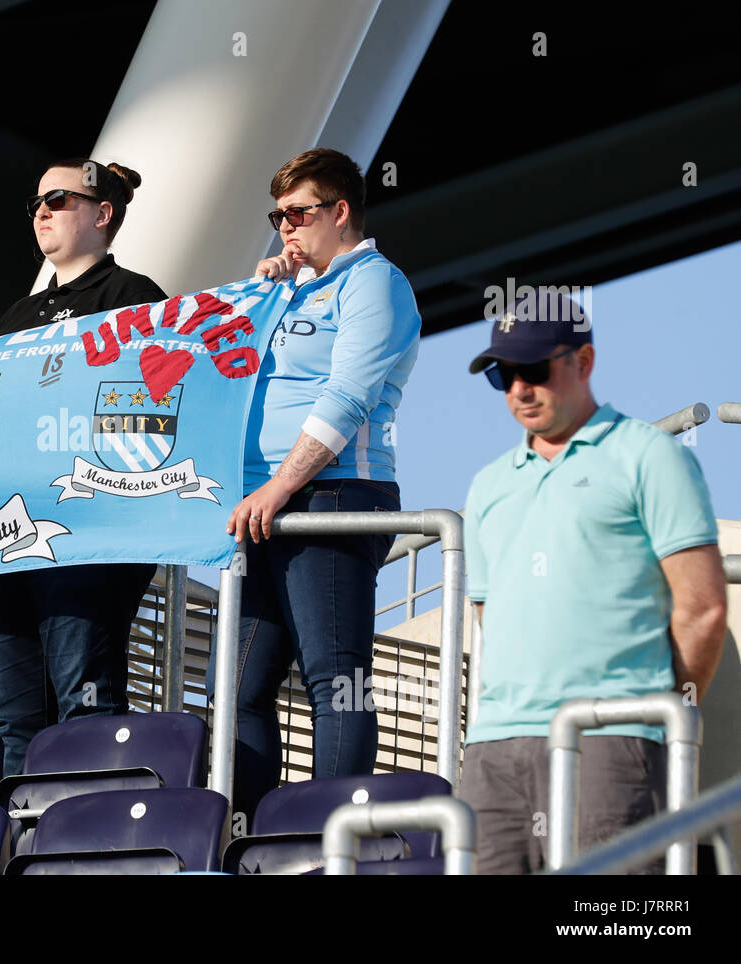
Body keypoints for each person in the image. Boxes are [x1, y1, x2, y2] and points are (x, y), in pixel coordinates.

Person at [459, 297, 727, 873]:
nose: (519, 389)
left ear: (584, 360)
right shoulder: (486, 487)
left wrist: (659, 711)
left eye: (535, 370)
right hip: (494, 748)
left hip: (611, 738)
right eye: (504, 375)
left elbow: (702, 608)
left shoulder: (651, 458)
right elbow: (492, 612)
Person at [212, 148, 421, 819]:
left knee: (335, 679)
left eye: (297, 213)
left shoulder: (375, 281)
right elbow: (226, 371)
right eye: (276, 216)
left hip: (332, 492)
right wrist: (262, 293)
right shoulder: (290, 289)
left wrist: (278, 487)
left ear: (340, 211)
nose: (284, 228)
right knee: (238, 688)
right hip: (263, 504)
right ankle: (248, 836)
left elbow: (348, 396)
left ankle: (323, 838)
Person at [0, 158, 166, 776]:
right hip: (2, 536)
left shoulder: (136, 297)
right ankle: (26, 845)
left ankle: (88, 841)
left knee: (86, 704)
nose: (42, 212)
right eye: (35, 204)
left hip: (86, 531)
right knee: (9, 717)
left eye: (58, 199)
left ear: (103, 214)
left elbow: (159, 407)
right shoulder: (16, 318)